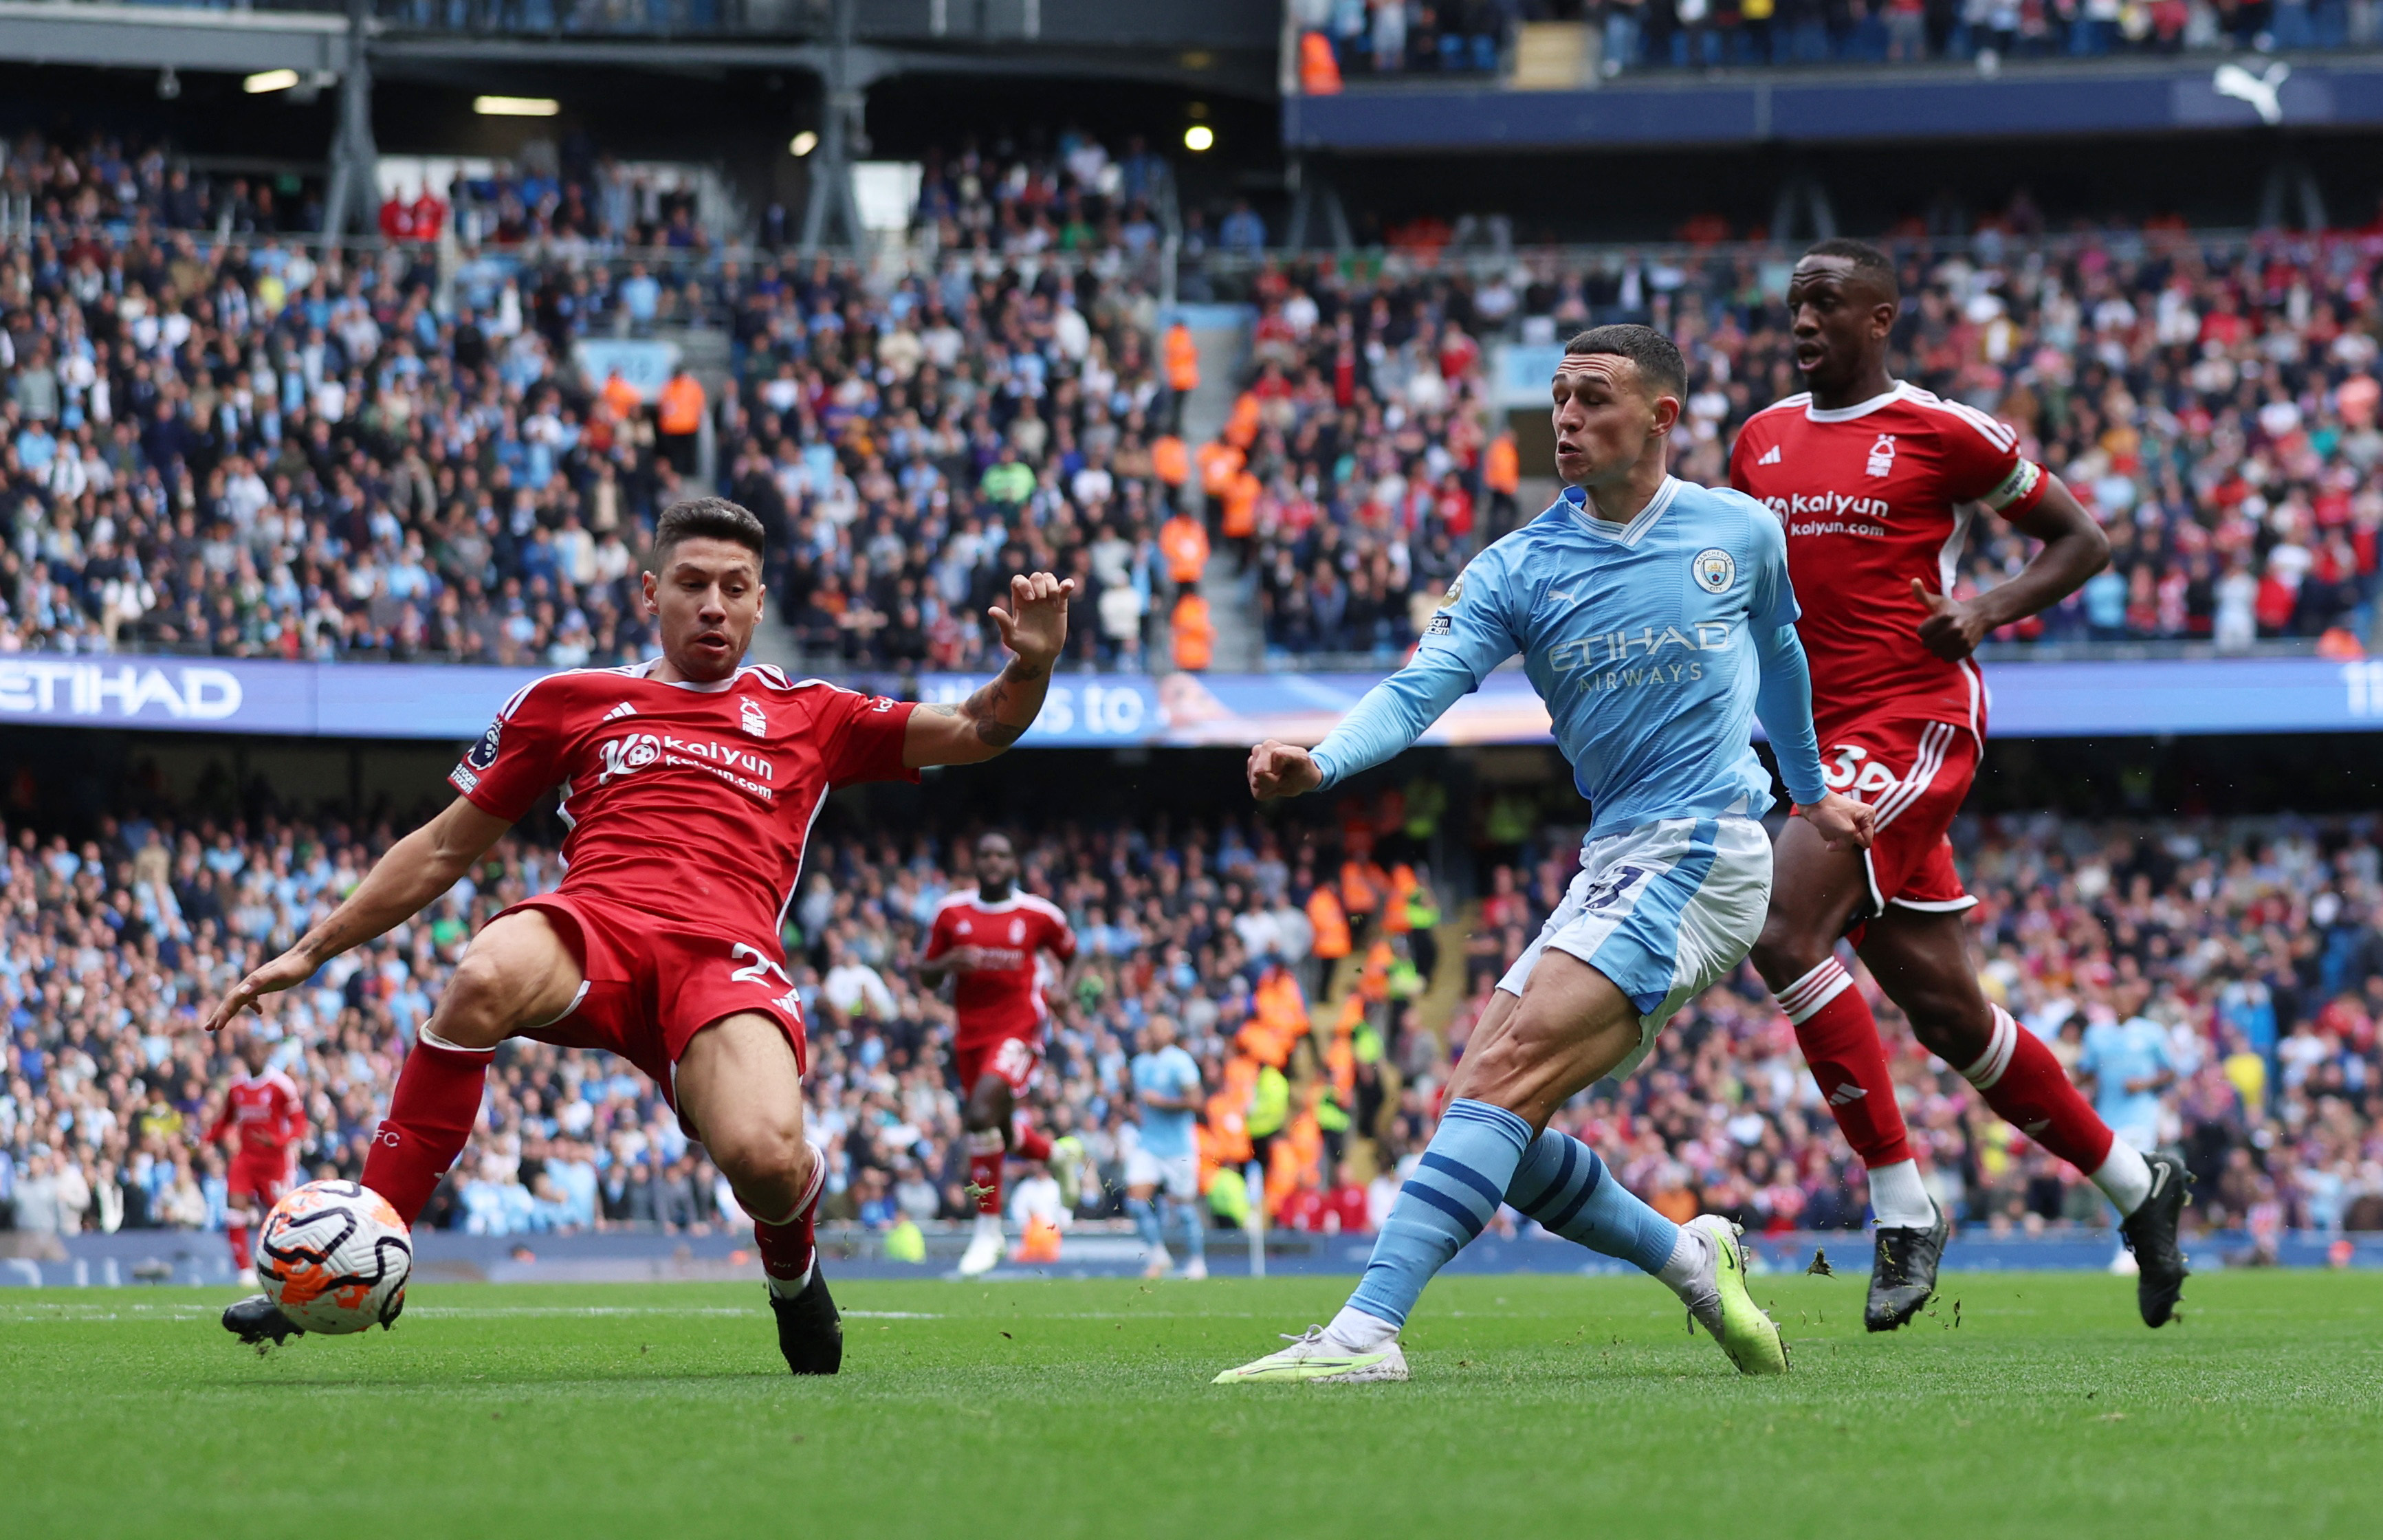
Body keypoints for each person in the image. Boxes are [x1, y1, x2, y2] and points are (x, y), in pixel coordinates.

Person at [201, 496, 1076, 1373]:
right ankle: (357, 1247)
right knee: (482, 972)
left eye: (736, 587)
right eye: (693, 583)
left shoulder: (814, 713)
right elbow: (440, 846)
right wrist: (310, 950)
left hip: (725, 961)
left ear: (760, 603)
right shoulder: (569, 701)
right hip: (596, 929)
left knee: (765, 1161)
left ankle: (793, 1272)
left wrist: (1030, 670)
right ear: (651, 592)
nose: (714, 605)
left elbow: (976, 728)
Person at [1214, 324, 1872, 1385]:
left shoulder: (1739, 533)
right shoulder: (1516, 567)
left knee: (1501, 1082)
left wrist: (1811, 793)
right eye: (1556, 399)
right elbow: (1417, 689)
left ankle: (1362, 1336)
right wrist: (1324, 763)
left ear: (1661, 416)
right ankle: (1692, 1261)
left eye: (1592, 398)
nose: (1564, 419)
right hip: (1615, 858)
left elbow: (1782, 657)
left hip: (1706, 848)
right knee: (1486, 1116)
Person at [1728, 239, 2190, 1331]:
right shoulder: (1759, 442)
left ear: (1879, 318)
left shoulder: (1941, 430)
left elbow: (2082, 541)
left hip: (1914, 721)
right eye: (1794, 305)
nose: (1802, 323)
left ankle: (1899, 1207)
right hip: (1810, 739)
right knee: (1947, 1014)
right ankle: (2139, 1185)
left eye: (1826, 305)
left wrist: (1983, 610)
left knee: (1783, 926)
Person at [918, 831, 1079, 1277]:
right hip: (969, 1035)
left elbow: (1073, 951)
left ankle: (988, 1231)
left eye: (1002, 855)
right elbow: (925, 973)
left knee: (978, 1114)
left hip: (1020, 1029)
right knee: (996, 1127)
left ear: (1015, 864)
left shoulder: (1038, 914)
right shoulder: (951, 912)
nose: (993, 862)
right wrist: (950, 963)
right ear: (974, 861)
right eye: (985, 854)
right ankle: (1055, 1155)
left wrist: (1064, 988)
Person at [202, 1031, 309, 1285]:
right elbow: (226, 1120)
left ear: (267, 1053)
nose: (255, 1055)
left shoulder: (281, 1085)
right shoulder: (236, 1086)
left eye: (260, 1051)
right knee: (234, 1207)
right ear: (244, 1055)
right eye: (250, 1051)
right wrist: (204, 1140)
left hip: (276, 1162)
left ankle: (292, 1264)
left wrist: (278, 1141)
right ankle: (244, 1270)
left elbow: (300, 1124)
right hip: (246, 1159)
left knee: (281, 1217)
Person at [1125, 1017, 1206, 1279]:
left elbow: (1196, 1102)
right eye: (1152, 1028)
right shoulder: (1139, 1064)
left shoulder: (1180, 1061)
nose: (1155, 1033)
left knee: (1183, 1207)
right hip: (1148, 1143)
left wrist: (1163, 1102)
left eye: (1161, 1028)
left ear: (1171, 1033)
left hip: (1179, 1146)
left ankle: (1196, 1262)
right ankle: (1159, 1255)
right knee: (1136, 1201)